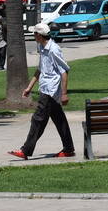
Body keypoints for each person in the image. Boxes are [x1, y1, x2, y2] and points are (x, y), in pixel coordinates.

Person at [8, 24, 74, 160]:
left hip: (51, 91)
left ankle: (25, 150)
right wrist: (29, 88)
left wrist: (64, 93)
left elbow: (64, 71)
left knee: (38, 119)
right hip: (44, 88)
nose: (33, 36)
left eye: (34, 34)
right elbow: (40, 69)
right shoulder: (42, 47)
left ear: (39, 35)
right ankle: (68, 149)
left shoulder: (54, 49)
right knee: (59, 119)